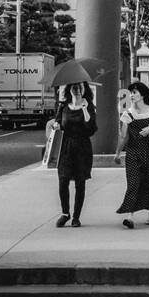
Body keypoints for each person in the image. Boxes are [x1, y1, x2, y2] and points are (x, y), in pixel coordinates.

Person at [114, 81, 149, 228]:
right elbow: (123, 137)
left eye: (135, 92)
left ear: (142, 94)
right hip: (133, 154)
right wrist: (118, 153)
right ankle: (130, 216)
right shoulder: (128, 114)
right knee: (133, 184)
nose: (132, 95)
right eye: (131, 92)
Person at [49, 81, 97, 228]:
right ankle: (65, 213)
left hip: (82, 147)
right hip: (65, 147)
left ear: (84, 89)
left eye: (79, 87)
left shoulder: (88, 106)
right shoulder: (63, 106)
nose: (76, 90)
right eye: (74, 87)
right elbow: (57, 123)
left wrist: (84, 109)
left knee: (80, 183)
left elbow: (92, 128)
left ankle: (76, 217)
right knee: (63, 180)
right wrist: (56, 125)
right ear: (69, 89)